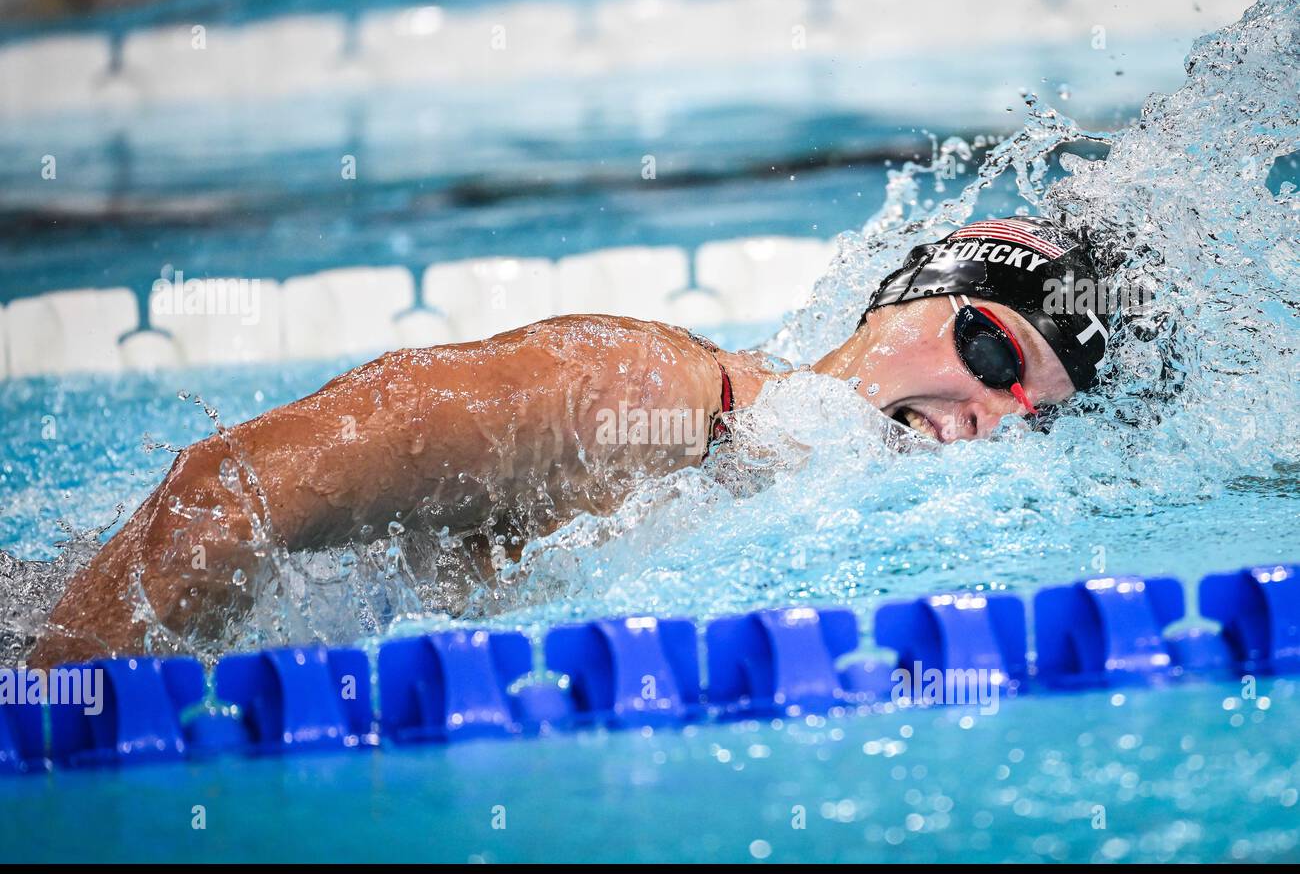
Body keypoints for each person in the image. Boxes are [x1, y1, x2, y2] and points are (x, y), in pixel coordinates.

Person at [31, 215, 1107, 666]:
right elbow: (227, 494)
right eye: (994, 352)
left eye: (1032, 414)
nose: (989, 414)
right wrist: (62, 724)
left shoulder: (772, 503)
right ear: (897, 302)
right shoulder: (620, 392)